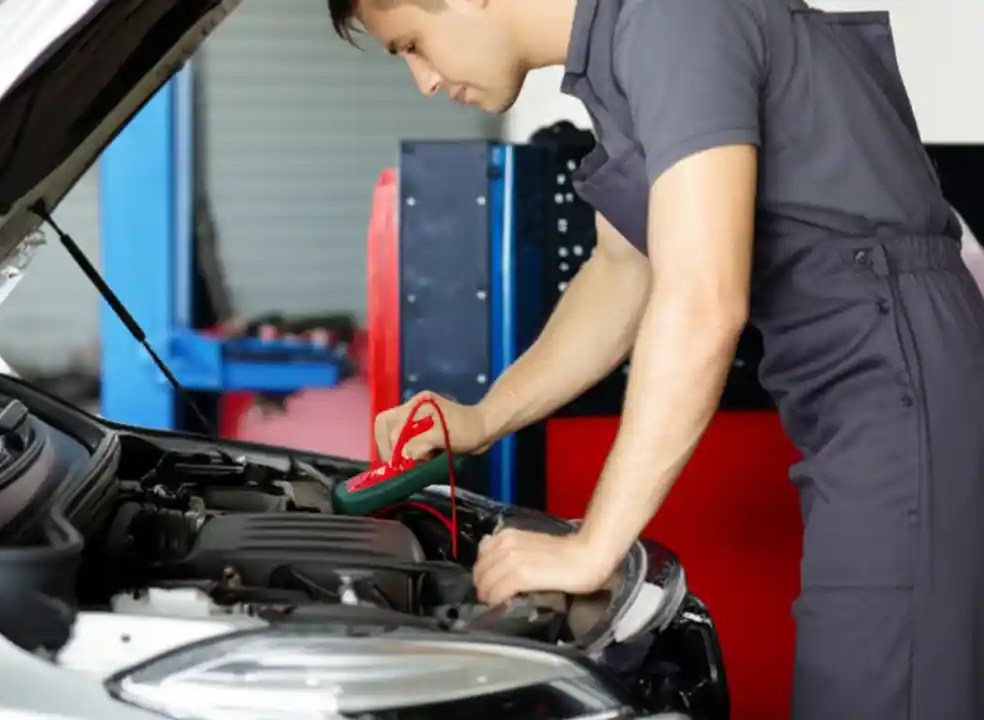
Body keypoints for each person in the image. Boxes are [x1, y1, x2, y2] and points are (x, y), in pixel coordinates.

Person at [326, 0, 984, 717]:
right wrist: (484, 418)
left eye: (414, 44)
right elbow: (623, 269)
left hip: (901, 382)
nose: (423, 79)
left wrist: (592, 546)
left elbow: (703, 298)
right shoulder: (621, 45)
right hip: (867, 392)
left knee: (879, 694)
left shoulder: (671, 19)